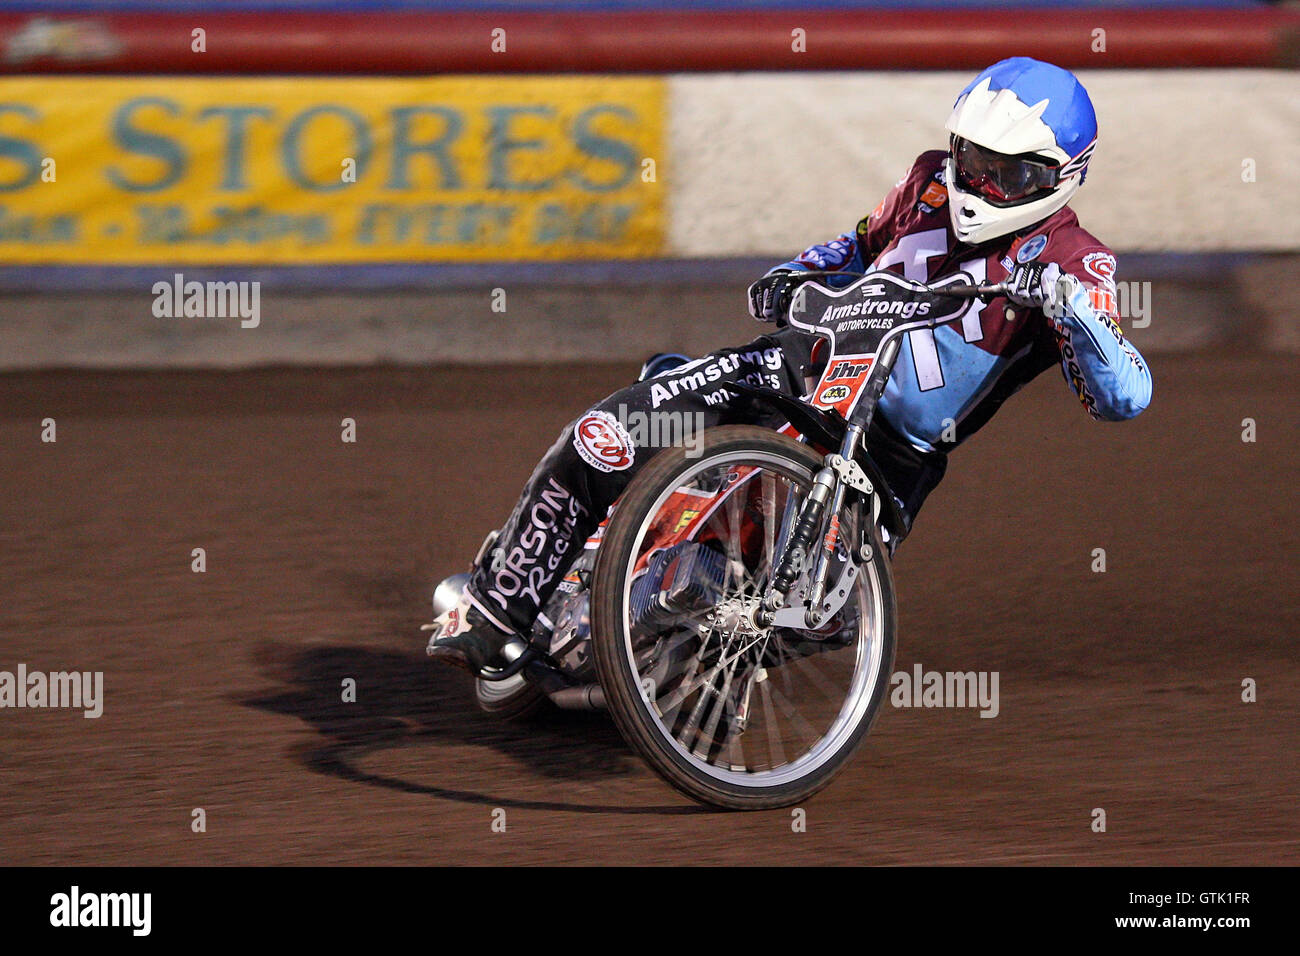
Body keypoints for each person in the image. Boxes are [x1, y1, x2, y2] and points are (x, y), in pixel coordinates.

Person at [426, 56, 1152, 673]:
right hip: (800, 365)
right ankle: (498, 603)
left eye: (1004, 175)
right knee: (609, 432)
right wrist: (794, 271)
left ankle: (653, 651)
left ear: (1060, 178)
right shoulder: (929, 180)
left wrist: (1074, 310)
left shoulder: (1074, 260)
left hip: (886, 455)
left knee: (815, 609)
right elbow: (853, 247)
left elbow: (1123, 396)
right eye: (972, 160)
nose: (977, 184)